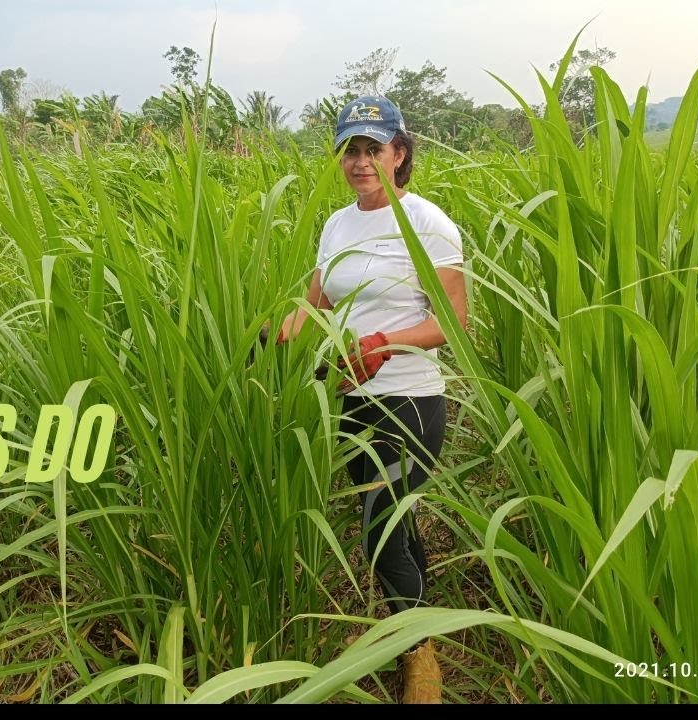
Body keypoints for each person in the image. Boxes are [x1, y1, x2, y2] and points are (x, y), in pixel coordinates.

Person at [274, 95, 467, 703]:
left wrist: (386, 342)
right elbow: (318, 300)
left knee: (378, 529)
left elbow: (453, 322)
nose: (360, 161)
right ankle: (419, 621)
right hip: (350, 398)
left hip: (408, 399)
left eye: (373, 149)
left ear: (399, 153)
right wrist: (270, 334)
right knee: (392, 520)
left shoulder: (427, 223)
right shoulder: (338, 224)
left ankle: (420, 657)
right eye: (350, 150)